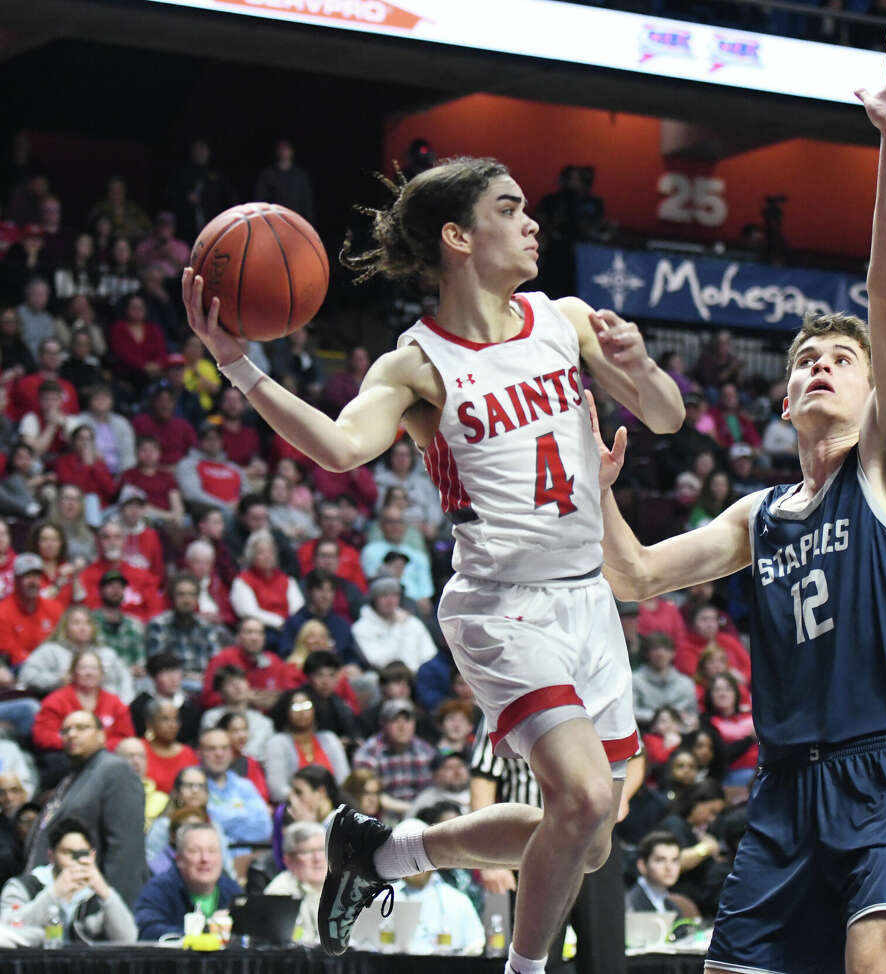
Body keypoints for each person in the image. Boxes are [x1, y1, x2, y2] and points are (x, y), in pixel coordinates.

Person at [184, 146, 683, 970]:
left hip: (587, 600)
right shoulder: (417, 363)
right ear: (458, 235)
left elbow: (664, 417)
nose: (532, 225)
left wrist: (640, 367)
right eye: (511, 209)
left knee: (589, 838)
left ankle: (384, 854)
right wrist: (239, 367)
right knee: (583, 795)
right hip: (500, 603)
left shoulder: (565, 317)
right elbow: (343, 448)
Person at [594, 24, 886, 974]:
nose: (823, 368)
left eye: (841, 360)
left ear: (876, 394)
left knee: (881, 959)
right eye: (807, 363)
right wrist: (592, 487)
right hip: (787, 788)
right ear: (785, 398)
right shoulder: (761, 516)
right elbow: (632, 577)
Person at [25, 710, 146, 906]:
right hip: (60, 901)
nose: (71, 734)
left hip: (92, 903)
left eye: (82, 728)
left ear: (101, 735)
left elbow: (126, 850)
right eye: (65, 730)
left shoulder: (116, 771)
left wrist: (112, 907)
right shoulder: (72, 777)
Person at [0, 816, 137, 945]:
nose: (74, 861)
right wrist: (54, 893)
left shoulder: (97, 893)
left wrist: (106, 894)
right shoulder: (23, 886)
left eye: (81, 853)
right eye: (67, 853)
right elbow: (8, 928)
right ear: (51, 856)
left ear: (92, 855)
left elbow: (128, 939)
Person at [133, 821, 241, 941]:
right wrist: (205, 930)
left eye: (212, 851)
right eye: (194, 851)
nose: (205, 858)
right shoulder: (158, 890)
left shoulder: (232, 891)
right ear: (178, 858)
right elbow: (147, 932)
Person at [264, 687, 350, 804]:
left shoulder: (329, 738)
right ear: (286, 711)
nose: (302, 712)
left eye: (306, 706)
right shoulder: (277, 743)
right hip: (294, 808)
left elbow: (344, 781)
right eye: (296, 707)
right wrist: (310, 802)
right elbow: (277, 790)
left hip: (333, 806)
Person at [196, 727, 272, 848]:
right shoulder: (192, 785)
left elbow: (264, 828)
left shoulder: (245, 785)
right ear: (199, 753)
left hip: (248, 861)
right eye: (211, 749)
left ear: (231, 752)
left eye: (224, 748)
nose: (219, 754)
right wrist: (242, 817)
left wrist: (222, 825)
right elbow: (199, 828)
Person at [352, 575, 438, 671]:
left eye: (394, 595)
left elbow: (430, 653)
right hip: (386, 678)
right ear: (374, 600)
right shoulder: (361, 628)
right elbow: (378, 661)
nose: (390, 601)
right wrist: (399, 628)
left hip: (418, 676)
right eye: (384, 595)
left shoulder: (411, 621)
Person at [263, 820, 326, 946]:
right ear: (288, 861)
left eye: (322, 849)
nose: (318, 859)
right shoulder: (278, 893)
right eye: (307, 852)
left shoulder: (344, 886)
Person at [625, 830, 698, 917]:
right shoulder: (629, 905)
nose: (669, 868)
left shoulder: (673, 906)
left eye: (674, 860)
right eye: (660, 860)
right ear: (642, 865)